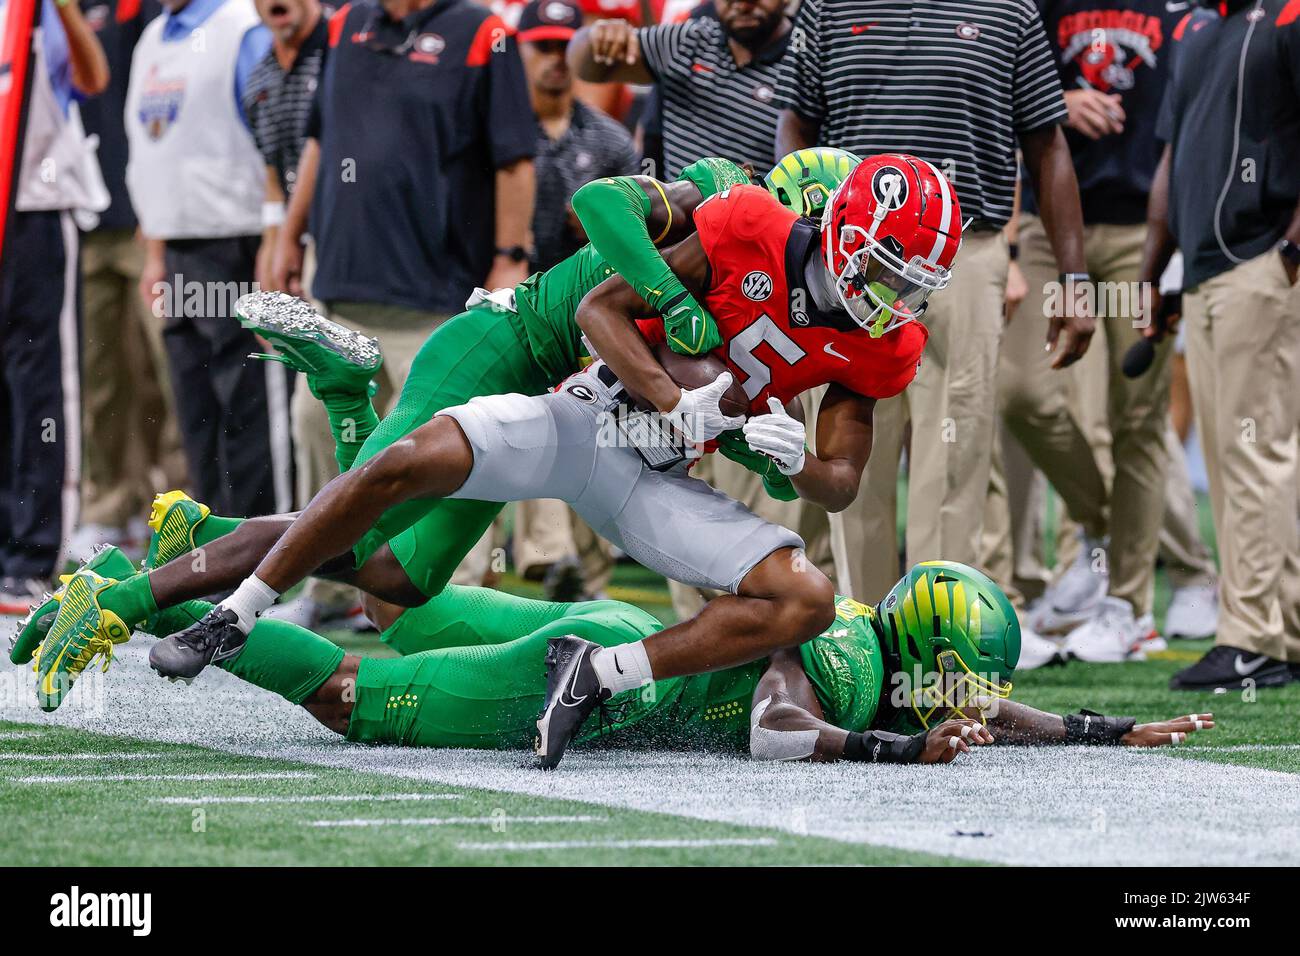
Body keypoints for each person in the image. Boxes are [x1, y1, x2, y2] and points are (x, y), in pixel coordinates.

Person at [129, 156, 958, 776]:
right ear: (838, 224)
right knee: (399, 497)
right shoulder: (737, 219)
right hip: (579, 403)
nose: (895, 299)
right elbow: (603, 290)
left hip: (650, 479)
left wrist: (795, 462)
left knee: (396, 593)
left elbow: (838, 482)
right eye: (889, 271)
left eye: (912, 286)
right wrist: (678, 390)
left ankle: (598, 674)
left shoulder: (879, 341)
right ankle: (222, 604)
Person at [25, 151, 834, 709]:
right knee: (355, 522)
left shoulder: (770, 312)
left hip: (560, 405)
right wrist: (678, 298)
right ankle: (125, 595)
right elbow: (594, 209)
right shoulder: (724, 214)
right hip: (507, 347)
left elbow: (723, 413)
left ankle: (342, 402)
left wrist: (778, 457)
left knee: (396, 582)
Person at [13, 544, 1213, 763]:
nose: (980, 707)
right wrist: (899, 752)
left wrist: (1106, 727)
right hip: (578, 677)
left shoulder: (860, 623)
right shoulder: (845, 670)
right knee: (349, 697)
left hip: (611, 636)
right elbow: (773, 727)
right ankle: (173, 616)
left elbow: (975, 706)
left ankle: (195, 548)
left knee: (400, 604)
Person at [774, 0, 1095, 607]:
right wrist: (799, 225)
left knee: (954, 464)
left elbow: (1048, 145)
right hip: (846, 251)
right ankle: (864, 656)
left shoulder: (1011, 10)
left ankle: (936, 659)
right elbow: (796, 122)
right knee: (850, 463)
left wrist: (1074, 281)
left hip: (964, 254)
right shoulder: (827, 7)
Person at [990, 0, 1196, 662]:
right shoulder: (1040, 5)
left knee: (1137, 419)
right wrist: (1063, 102)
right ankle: (1104, 521)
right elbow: (1009, 97)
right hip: (1055, 226)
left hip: (1145, 228)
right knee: (1020, 390)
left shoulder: (1183, 9)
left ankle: (1129, 605)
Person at [1137, 0, 1300, 691]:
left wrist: (1292, 249)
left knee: (1257, 450)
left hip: (1263, 262)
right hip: (1203, 273)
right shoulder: (1197, 28)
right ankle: (1271, 631)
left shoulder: (1289, 15)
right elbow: (1174, 156)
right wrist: (1152, 274)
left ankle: (1257, 637)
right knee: (1241, 457)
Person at [125, 0, 293, 519]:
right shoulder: (153, 38)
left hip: (238, 245)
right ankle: (214, 558)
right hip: (177, 249)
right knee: (196, 411)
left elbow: (277, 144)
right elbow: (153, 155)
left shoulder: (242, 28)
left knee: (250, 407)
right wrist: (155, 254)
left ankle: (265, 557)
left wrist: (275, 239)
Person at [502, 0, 638, 599]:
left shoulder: (608, 141)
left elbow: (643, 219)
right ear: (521, 51)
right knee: (501, 427)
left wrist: (603, 232)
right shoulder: (499, 135)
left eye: (565, 47)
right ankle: (501, 572)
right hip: (509, 300)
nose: (556, 60)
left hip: (592, 311)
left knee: (594, 430)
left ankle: (591, 577)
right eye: (543, 47)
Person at [0, 0, 108, 608]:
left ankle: (35, 552)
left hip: (35, 206)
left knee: (38, 380)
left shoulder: (33, 13)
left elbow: (92, 80)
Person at [72, 0, 187, 563]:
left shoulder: (151, 13)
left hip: (151, 223)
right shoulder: (53, 13)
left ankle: (185, 509)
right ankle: (112, 507)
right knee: (101, 375)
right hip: (84, 219)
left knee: (169, 373)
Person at [568, 0, 791, 179]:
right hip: (677, 221)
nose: (742, 5)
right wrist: (596, 36)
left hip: (760, 226)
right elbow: (586, 68)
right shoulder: (687, 41)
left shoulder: (805, 61)